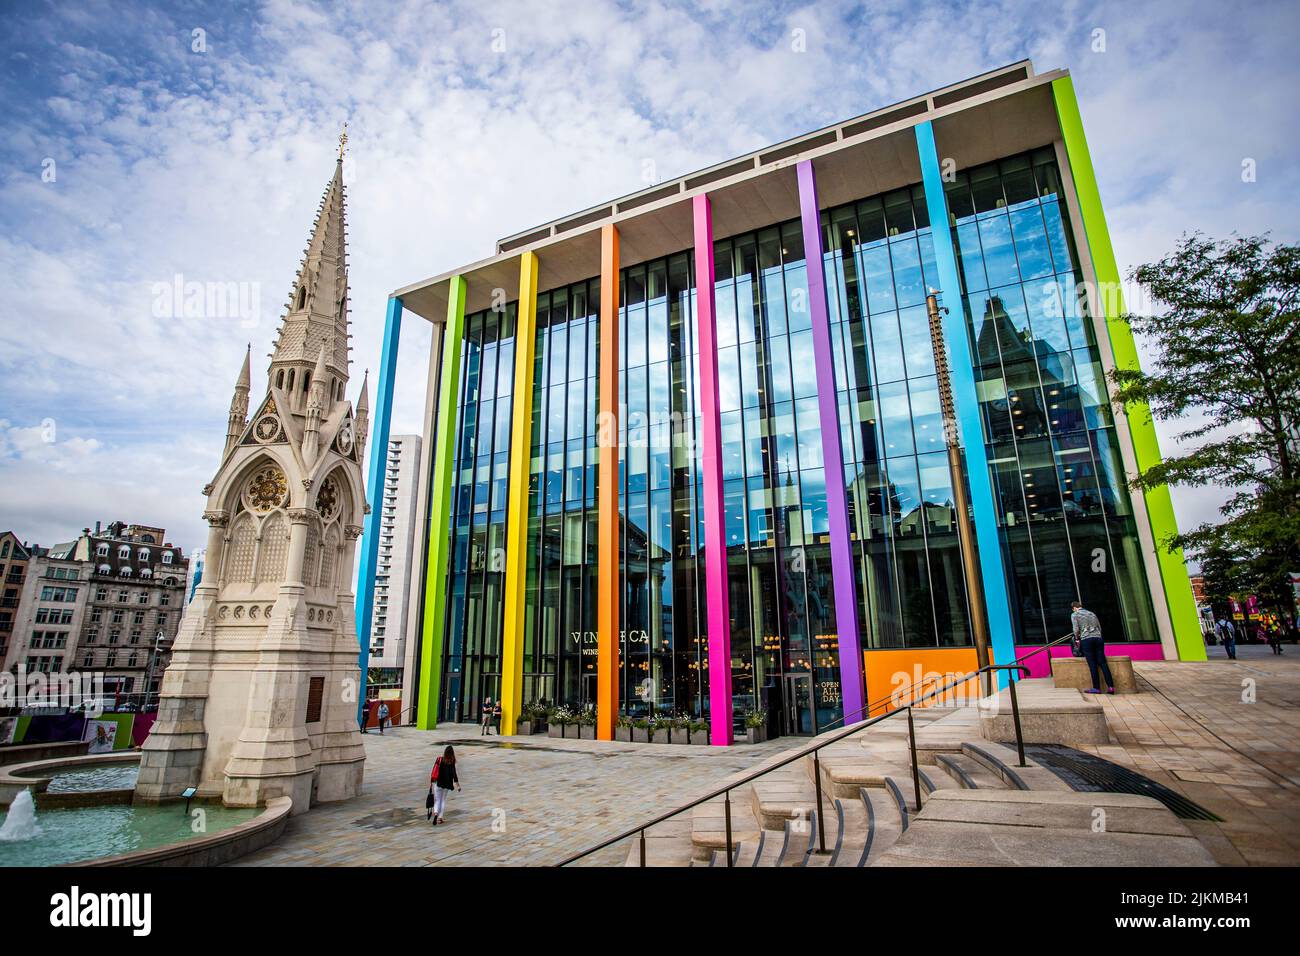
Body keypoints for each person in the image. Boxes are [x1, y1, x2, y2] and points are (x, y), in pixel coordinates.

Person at [1071, 600, 1114, 694]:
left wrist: (1077, 637)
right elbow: (1099, 627)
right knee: (1103, 663)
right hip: (1098, 638)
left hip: (1087, 639)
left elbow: (1076, 629)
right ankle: (1111, 687)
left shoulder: (1075, 614)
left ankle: (1096, 688)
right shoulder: (1092, 613)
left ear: (1074, 608)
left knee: (1092, 664)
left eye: (1073, 609)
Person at [429, 745, 460, 825]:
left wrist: (432, 780)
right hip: (447, 784)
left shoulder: (440, 759)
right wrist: (457, 785)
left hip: (438, 782)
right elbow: (454, 774)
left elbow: (434, 770)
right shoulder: (452, 761)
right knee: (442, 800)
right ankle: (440, 818)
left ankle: (435, 813)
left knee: (437, 800)